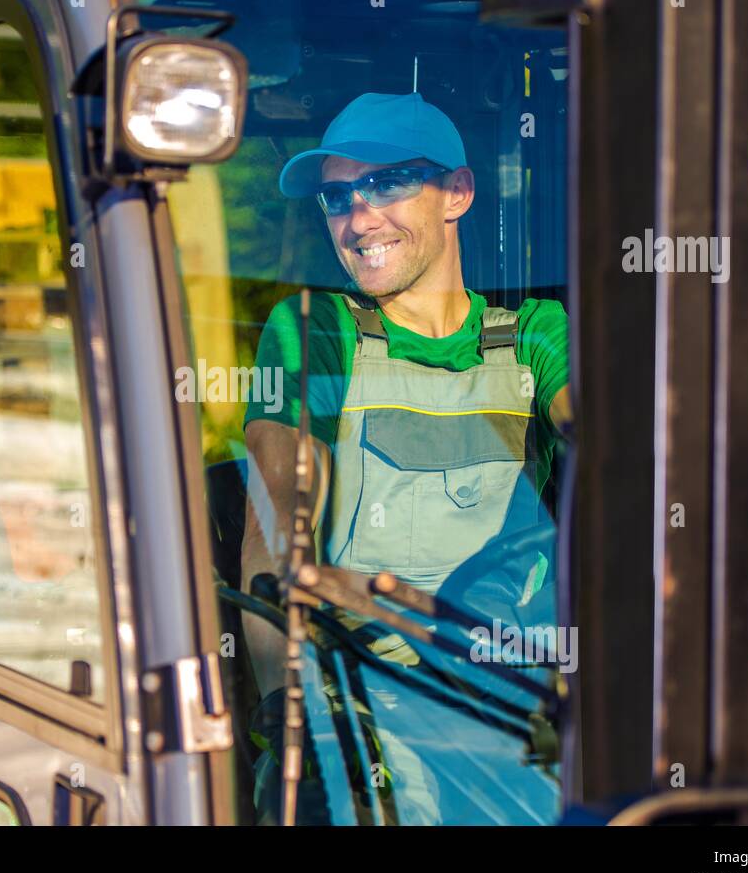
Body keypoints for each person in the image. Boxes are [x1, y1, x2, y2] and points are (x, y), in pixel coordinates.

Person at [240, 90, 573, 701]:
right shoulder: (316, 331)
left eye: (387, 185)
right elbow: (275, 539)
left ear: (458, 193)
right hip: (380, 698)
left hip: (519, 691)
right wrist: (284, 721)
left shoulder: (535, 334)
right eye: (337, 197)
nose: (360, 219)